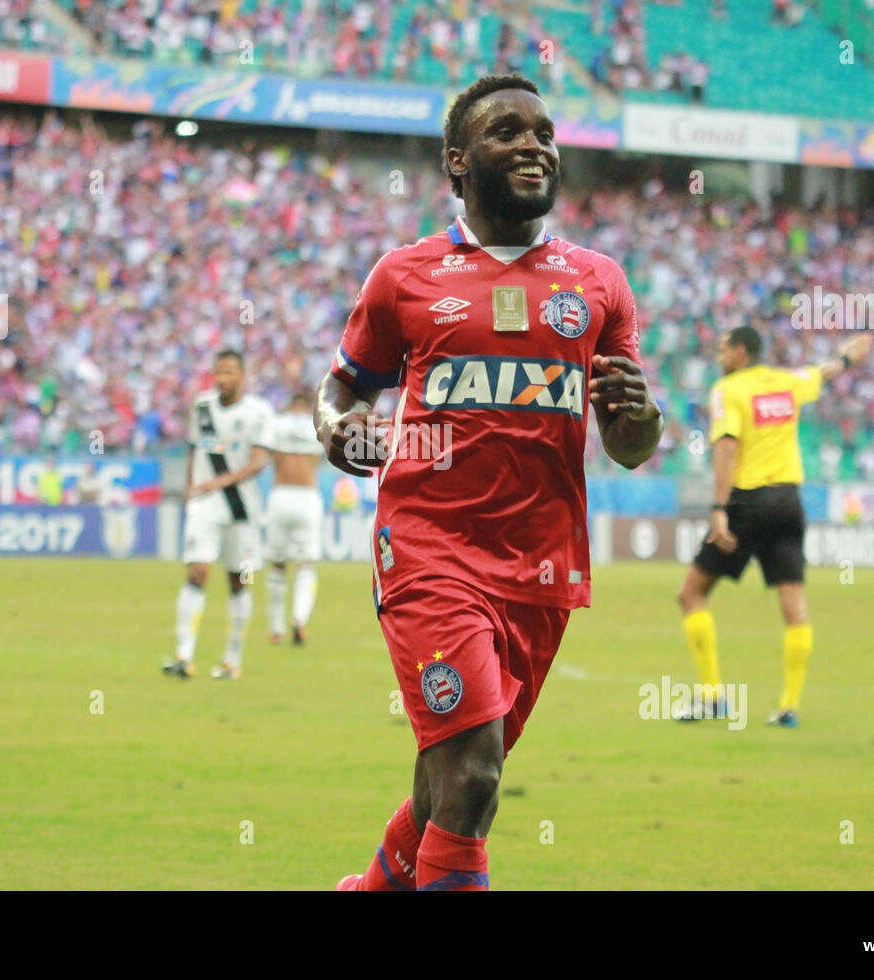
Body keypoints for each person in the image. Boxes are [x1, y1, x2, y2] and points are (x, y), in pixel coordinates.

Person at [315, 74, 662, 891]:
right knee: (474, 780)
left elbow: (630, 444)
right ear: (458, 162)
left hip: (542, 568)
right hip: (430, 552)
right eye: (508, 131)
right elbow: (344, 386)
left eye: (544, 132)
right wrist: (338, 431)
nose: (534, 143)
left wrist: (642, 413)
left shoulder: (599, 283)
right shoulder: (404, 275)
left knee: (449, 778)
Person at [675, 326, 872, 727]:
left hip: (747, 502)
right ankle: (788, 706)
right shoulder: (788, 381)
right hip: (788, 502)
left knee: (692, 594)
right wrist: (851, 356)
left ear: (742, 352)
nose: (719, 355)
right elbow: (827, 370)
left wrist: (718, 508)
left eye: (724, 349)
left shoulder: (727, 390)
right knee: (794, 608)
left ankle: (713, 696)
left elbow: (726, 447)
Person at [164, 350, 273, 681]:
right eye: (218, 373)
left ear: (242, 375)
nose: (222, 379)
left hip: (241, 508)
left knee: (238, 581)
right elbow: (194, 449)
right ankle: (184, 656)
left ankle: (231, 659)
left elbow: (258, 462)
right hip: (204, 504)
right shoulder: (201, 407)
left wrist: (218, 482)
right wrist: (190, 489)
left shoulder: (259, 412)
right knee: (197, 571)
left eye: (229, 372)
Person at [264, 392, 325, 646]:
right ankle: (299, 619)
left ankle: (276, 629)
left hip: (281, 495)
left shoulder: (277, 424)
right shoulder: (318, 425)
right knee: (306, 565)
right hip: (307, 497)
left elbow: (269, 455)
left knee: (277, 564)